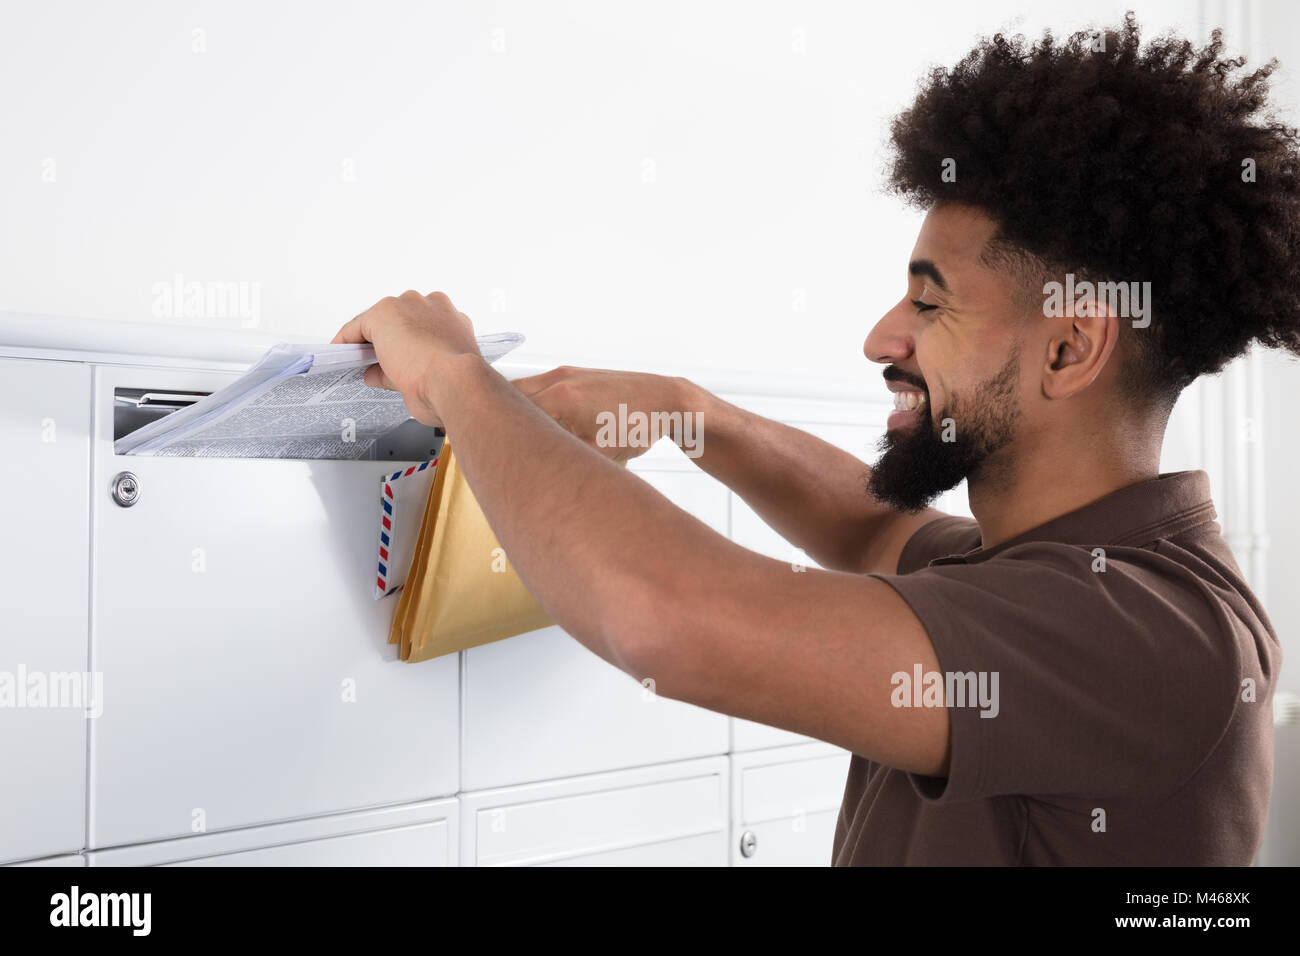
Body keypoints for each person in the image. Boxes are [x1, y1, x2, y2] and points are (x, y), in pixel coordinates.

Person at [332, 14, 1296, 865]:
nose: (884, 337)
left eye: (930, 301)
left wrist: (456, 377)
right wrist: (687, 411)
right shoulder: (1065, 571)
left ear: (1070, 347)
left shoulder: (1143, 634)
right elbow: (875, 532)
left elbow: (669, 619)